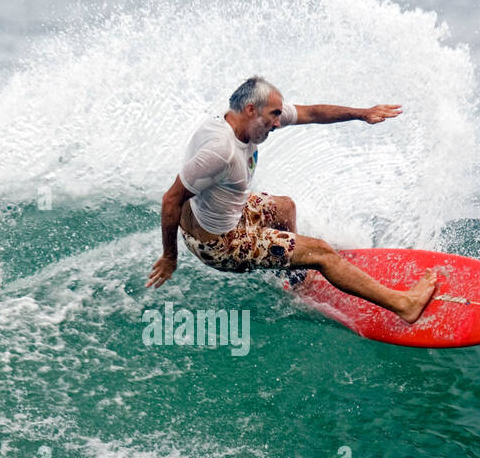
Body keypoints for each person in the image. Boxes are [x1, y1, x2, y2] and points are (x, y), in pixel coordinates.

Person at [146, 76, 437, 323]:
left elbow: (312, 113)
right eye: (273, 116)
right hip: (218, 244)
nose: (277, 122)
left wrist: (362, 113)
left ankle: (298, 279)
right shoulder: (220, 150)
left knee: (286, 206)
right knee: (322, 253)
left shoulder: (243, 119)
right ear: (250, 109)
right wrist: (170, 258)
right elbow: (171, 199)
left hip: (220, 212)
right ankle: (404, 306)